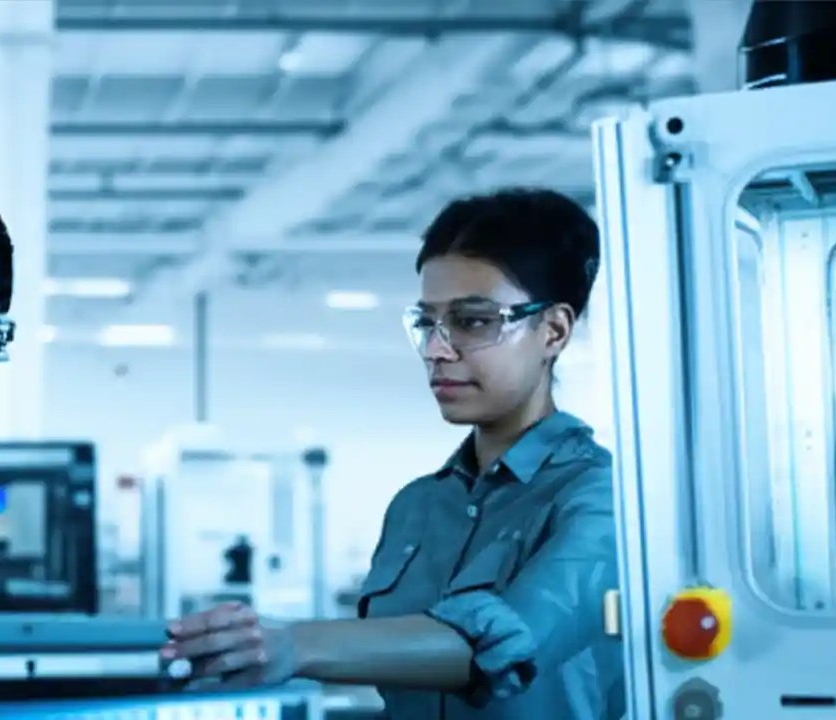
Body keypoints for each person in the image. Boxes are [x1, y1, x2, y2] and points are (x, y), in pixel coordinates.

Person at [161, 188, 624, 719]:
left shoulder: (600, 502)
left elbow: (499, 646)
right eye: (428, 323)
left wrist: (295, 645)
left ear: (554, 330)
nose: (436, 349)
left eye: (474, 321)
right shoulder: (416, 508)